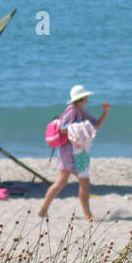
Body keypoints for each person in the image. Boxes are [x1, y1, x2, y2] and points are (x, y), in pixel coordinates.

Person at [38, 85, 110, 220]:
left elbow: (96, 125)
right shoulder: (72, 111)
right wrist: (80, 128)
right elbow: (62, 129)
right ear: (81, 99)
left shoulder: (81, 111)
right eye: (86, 97)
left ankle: (43, 209)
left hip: (75, 151)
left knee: (61, 182)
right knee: (84, 182)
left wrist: (105, 112)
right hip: (72, 152)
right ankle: (87, 215)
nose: (87, 100)